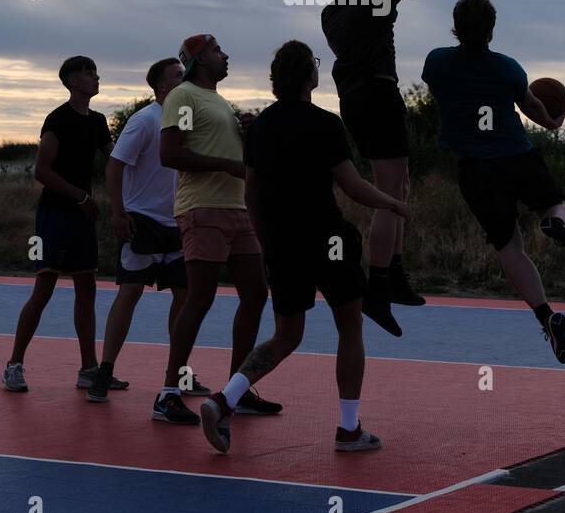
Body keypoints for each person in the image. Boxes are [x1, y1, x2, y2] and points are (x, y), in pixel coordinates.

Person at [200, 41, 408, 455]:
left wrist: (263, 241)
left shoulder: (258, 128)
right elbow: (352, 186)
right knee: (349, 327)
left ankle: (223, 400)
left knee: (285, 335)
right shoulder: (326, 124)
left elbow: (252, 193)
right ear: (310, 76)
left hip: (282, 242)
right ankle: (348, 430)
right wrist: (392, 202)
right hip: (327, 239)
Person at [320, 0, 516, 333]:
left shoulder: (332, 11)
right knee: (389, 195)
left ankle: (394, 276)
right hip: (377, 94)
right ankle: (377, 289)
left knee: (400, 184)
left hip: (354, 101)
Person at [421, 0, 565, 363]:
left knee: (510, 248)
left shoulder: (436, 62)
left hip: (475, 168)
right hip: (516, 156)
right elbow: (533, 106)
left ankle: (546, 315)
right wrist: (552, 124)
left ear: (455, 27)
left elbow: (440, 94)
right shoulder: (508, 68)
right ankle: (556, 225)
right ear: (492, 29)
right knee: (555, 203)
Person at [156, 34, 280, 425]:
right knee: (200, 297)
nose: (225, 55)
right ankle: (169, 392)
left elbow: (216, 148)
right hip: (203, 208)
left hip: (236, 208)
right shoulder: (184, 96)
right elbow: (171, 153)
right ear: (198, 60)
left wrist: (248, 135)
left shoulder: (219, 101)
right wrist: (228, 166)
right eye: (216, 50)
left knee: (257, 294)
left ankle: (233, 392)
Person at [86, 57, 211, 405]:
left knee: (185, 299)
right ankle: (104, 370)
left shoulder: (187, 121)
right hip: (142, 220)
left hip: (179, 222)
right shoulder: (144, 121)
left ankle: (179, 374)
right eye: (177, 74)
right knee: (130, 292)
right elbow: (114, 166)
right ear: (161, 87)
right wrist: (118, 212)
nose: (184, 77)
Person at [2, 56, 115, 392]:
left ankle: (88, 369)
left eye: (96, 71)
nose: (96, 76)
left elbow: (118, 157)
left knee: (87, 289)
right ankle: (13, 365)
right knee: (45, 288)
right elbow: (42, 171)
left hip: (82, 217)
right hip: (54, 215)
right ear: (71, 82)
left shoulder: (97, 121)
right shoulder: (58, 119)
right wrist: (80, 197)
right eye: (88, 72)